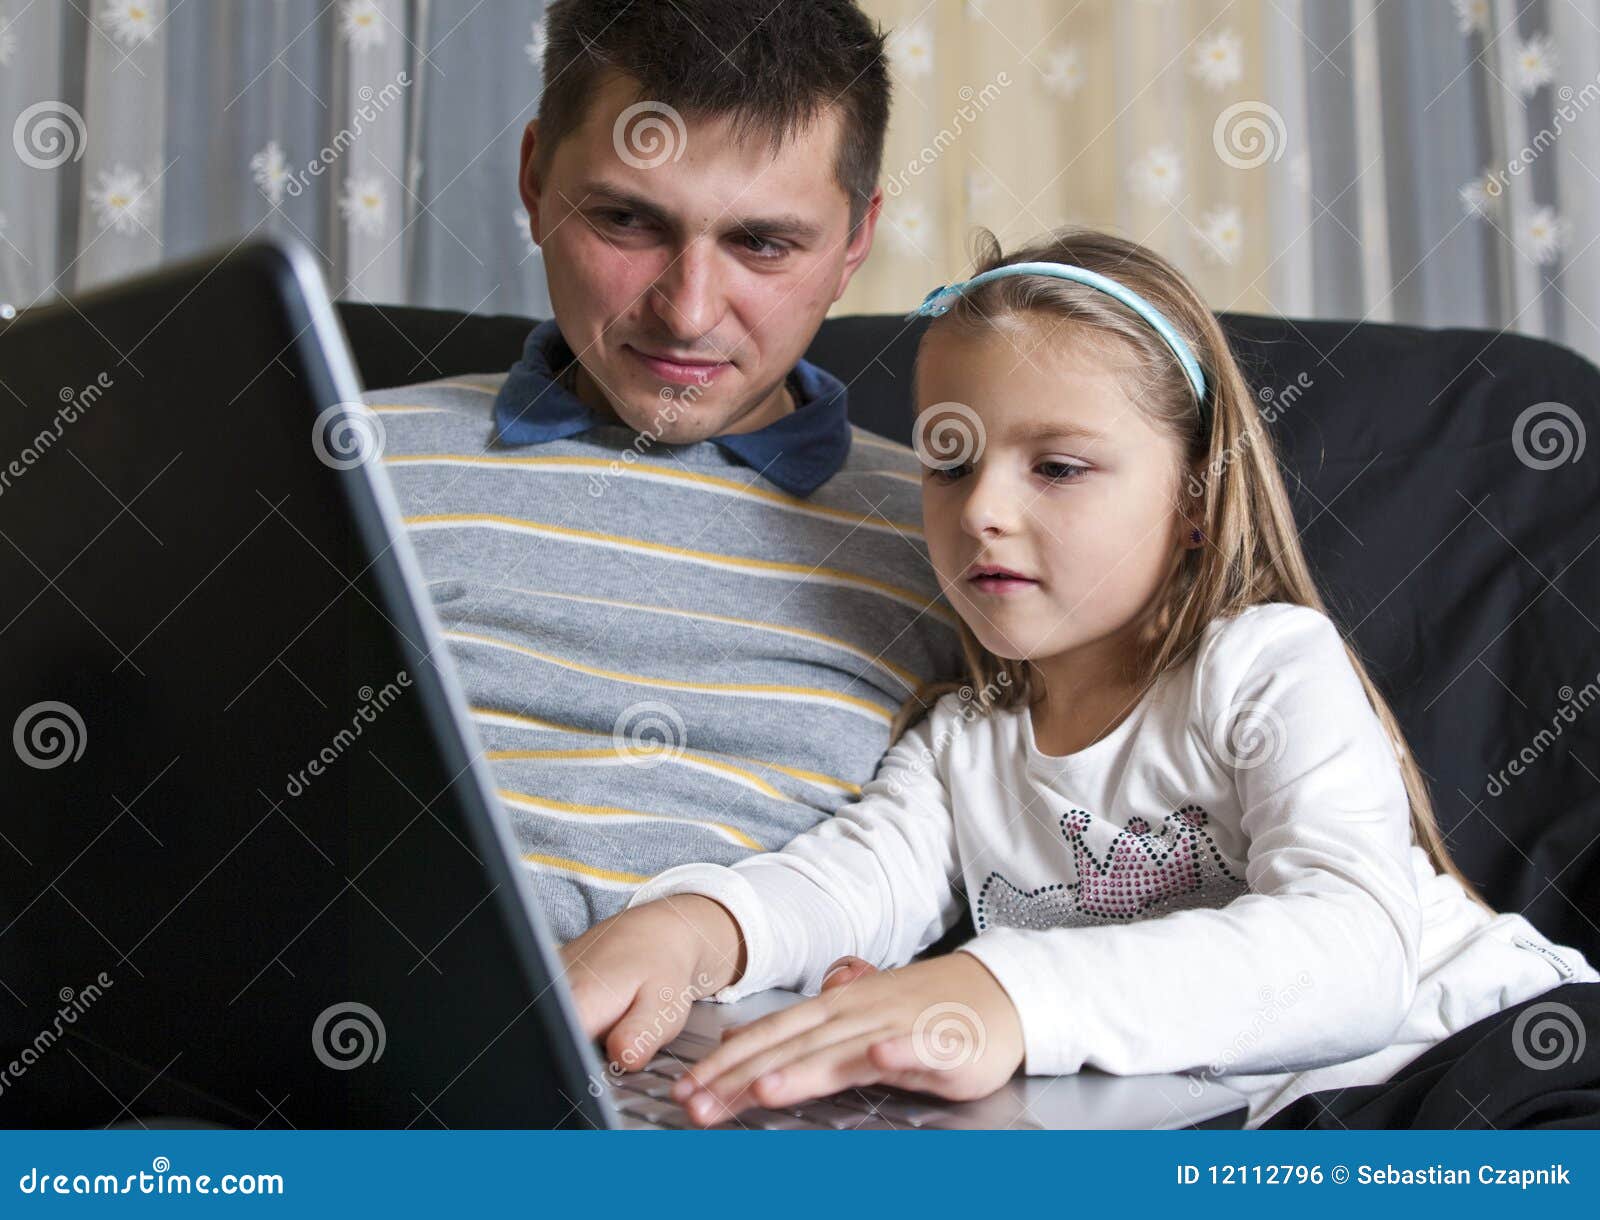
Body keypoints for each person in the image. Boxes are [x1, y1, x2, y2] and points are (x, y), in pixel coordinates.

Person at [559, 227, 1600, 1129]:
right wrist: (691, 929)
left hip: (1490, 1065)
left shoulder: (1263, 665)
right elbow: (852, 881)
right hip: (1274, 1131)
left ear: (1194, 498)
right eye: (950, 460)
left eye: (1055, 466)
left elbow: (1350, 951)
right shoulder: (967, 739)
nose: (980, 511)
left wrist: (996, 990)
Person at [361, 0, 963, 942]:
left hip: (729, 1070)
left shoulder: (966, 536)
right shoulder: (336, 463)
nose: (686, 314)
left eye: (762, 243)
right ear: (533, 181)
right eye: (627, 220)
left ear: (855, 242)